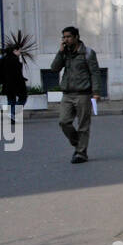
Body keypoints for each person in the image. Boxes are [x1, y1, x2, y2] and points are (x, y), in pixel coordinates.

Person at [50, 26, 100, 163]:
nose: (65, 40)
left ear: (76, 37)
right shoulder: (65, 53)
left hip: (83, 93)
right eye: (64, 37)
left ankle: (81, 153)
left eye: (68, 37)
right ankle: (78, 143)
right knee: (64, 121)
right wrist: (60, 53)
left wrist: (95, 92)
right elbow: (54, 68)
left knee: (83, 124)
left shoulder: (88, 53)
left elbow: (95, 73)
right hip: (67, 94)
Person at [0, 43, 28, 122]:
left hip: (7, 84)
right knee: (23, 98)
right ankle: (12, 113)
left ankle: (11, 116)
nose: (20, 53)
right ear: (15, 50)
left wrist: (0, 80)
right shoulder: (14, 60)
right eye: (19, 51)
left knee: (11, 99)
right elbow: (17, 73)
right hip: (17, 83)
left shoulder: (3, 60)